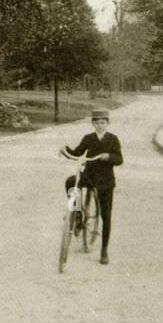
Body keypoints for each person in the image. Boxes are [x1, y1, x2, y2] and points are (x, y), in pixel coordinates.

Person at [61, 109, 123, 264]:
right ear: (93, 124)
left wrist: (109, 156)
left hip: (105, 181)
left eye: (103, 122)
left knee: (106, 215)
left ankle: (104, 251)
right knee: (70, 181)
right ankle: (77, 214)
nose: (100, 126)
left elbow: (119, 159)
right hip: (89, 176)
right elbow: (77, 152)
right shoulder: (88, 138)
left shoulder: (113, 139)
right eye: (97, 123)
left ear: (107, 123)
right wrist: (65, 150)